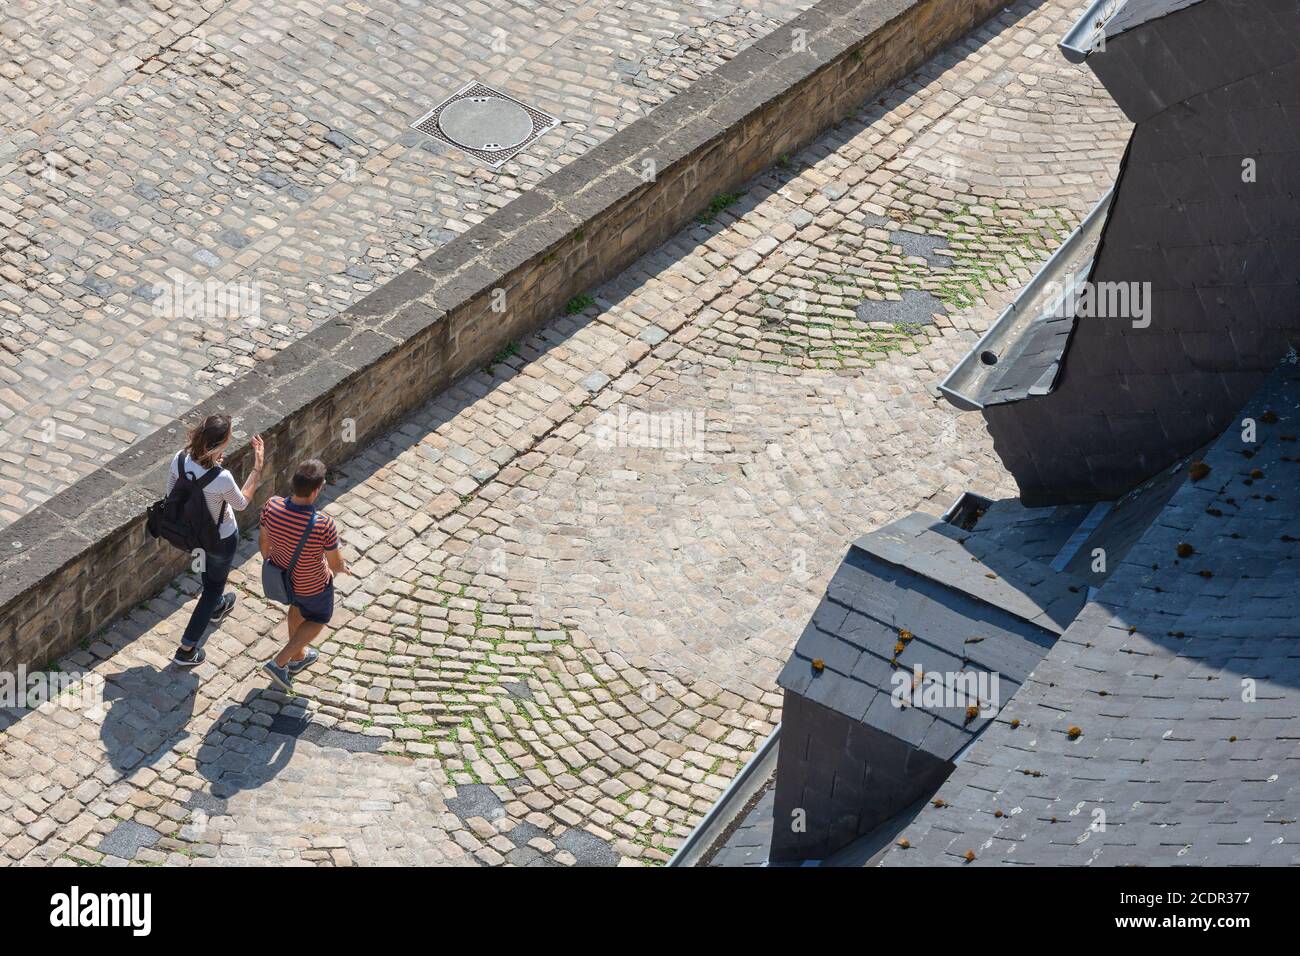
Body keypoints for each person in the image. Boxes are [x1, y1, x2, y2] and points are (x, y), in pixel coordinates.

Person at [171, 414, 264, 667]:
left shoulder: (179, 459)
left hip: (192, 536)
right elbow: (241, 503)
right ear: (222, 442)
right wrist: (257, 466)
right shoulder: (221, 477)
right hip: (220, 538)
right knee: (212, 588)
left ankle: (217, 606)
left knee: (208, 575)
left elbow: (172, 495)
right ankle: (186, 649)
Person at [260, 459, 350, 690]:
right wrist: (342, 568)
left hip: (283, 579)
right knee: (318, 619)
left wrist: (277, 562)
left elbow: (264, 544)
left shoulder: (272, 506)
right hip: (313, 585)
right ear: (317, 489)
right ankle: (280, 662)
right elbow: (335, 564)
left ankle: (299, 657)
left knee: (297, 609)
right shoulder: (323, 524)